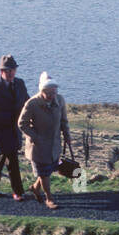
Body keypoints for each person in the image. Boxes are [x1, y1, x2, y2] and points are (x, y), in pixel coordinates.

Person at [17, 71, 72, 209]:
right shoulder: (32, 104)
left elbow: (64, 121)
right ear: (42, 91)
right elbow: (22, 123)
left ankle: (35, 188)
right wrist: (35, 137)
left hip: (53, 145)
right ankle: (49, 199)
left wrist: (67, 136)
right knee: (44, 173)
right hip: (38, 147)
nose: (52, 96)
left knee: (47, 171)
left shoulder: (59, 100)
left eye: (54, 92)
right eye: (49, 93)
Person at [0, 54, 28, 200]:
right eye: (7, 71)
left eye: (13, 70)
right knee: (12, 159)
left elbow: (27, 103)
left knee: (1, 159)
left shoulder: (20, 84)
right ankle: (18, 192)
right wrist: (9, 118)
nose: (11, 73)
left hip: (14, 130)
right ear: (1, 71)